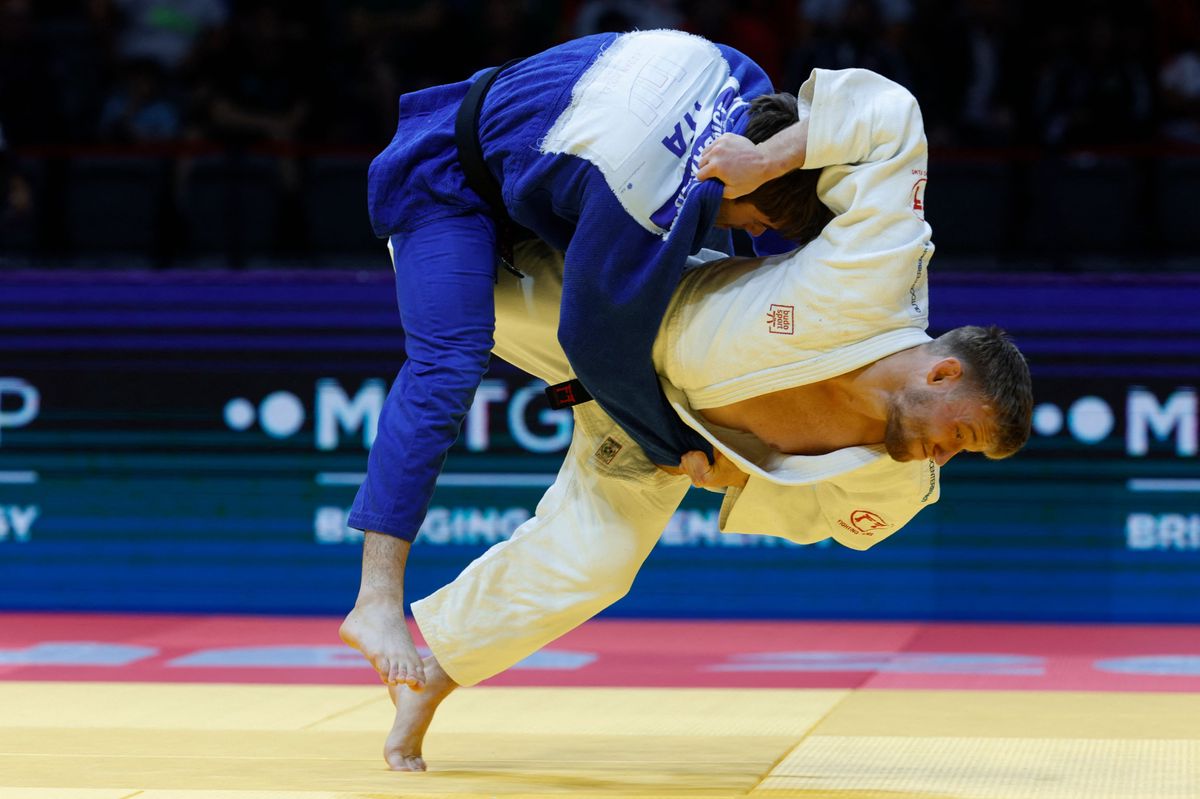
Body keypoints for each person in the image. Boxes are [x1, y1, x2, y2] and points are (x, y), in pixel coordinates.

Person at [368, 66, 1034, 771]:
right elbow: (892, 118)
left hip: (665, 438)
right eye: (959, 434)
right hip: (622, 313)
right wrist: (767, 159)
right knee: (454, 295)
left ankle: (430, 676)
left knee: (594, 566)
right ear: (942, 371)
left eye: (964, 454)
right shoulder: (883, 270)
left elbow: (824, 518)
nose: (942, 456)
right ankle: (438, 160)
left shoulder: (898, 484)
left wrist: (738, 481)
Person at [342, 29, 830, 693]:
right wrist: (675, 445)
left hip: (536, 146)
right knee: (448, 362)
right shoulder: (646, 196)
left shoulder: (747, 84)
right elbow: (595, 343)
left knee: (691, 281)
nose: (761, 234)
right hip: (447, 181)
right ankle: (375, 597)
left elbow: (812, 155)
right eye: (764, 221)